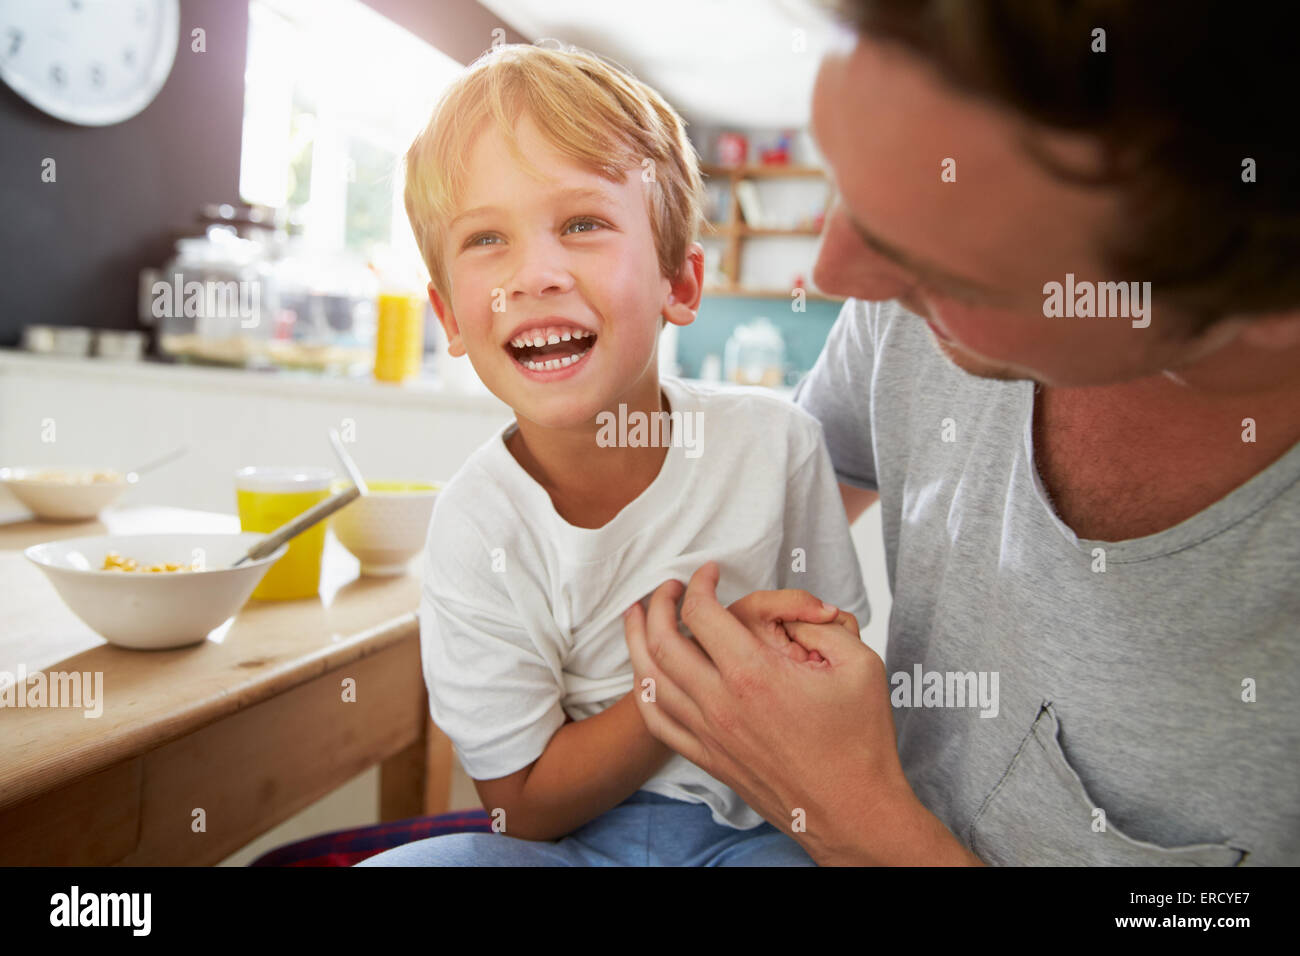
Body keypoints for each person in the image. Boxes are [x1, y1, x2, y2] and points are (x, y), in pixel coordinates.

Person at [625, 1, 1300, 865]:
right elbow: (751, 511)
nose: (836, 273)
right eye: (851, 191)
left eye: (938, 269)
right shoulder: (903, 316)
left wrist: (851, 816)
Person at [358, 42, 870, 867]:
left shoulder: (778, 447)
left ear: (681, 283)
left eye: (583, 224)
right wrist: (688, 677)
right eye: (486, 239)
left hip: (763, 833)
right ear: (449, 316)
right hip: (571, 850)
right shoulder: (475, 524)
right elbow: (521, 808)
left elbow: (826, 665)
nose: (537, 273)